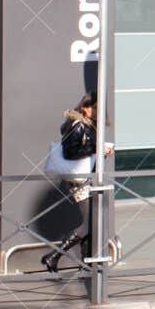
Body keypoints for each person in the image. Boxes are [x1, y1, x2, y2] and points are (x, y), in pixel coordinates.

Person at [44, 93, 109, 274]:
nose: (96, 112)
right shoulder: (78, 125)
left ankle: (87, 264)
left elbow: (86, 153)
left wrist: (101, 152)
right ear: (84, 108)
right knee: (89, 223)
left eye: (98, 108)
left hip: (86, 179)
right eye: (93, 108)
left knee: (91, 223)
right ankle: (54, 256)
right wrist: (97, 148)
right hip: (80, 182)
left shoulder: (88, 125)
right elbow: (71, 153)